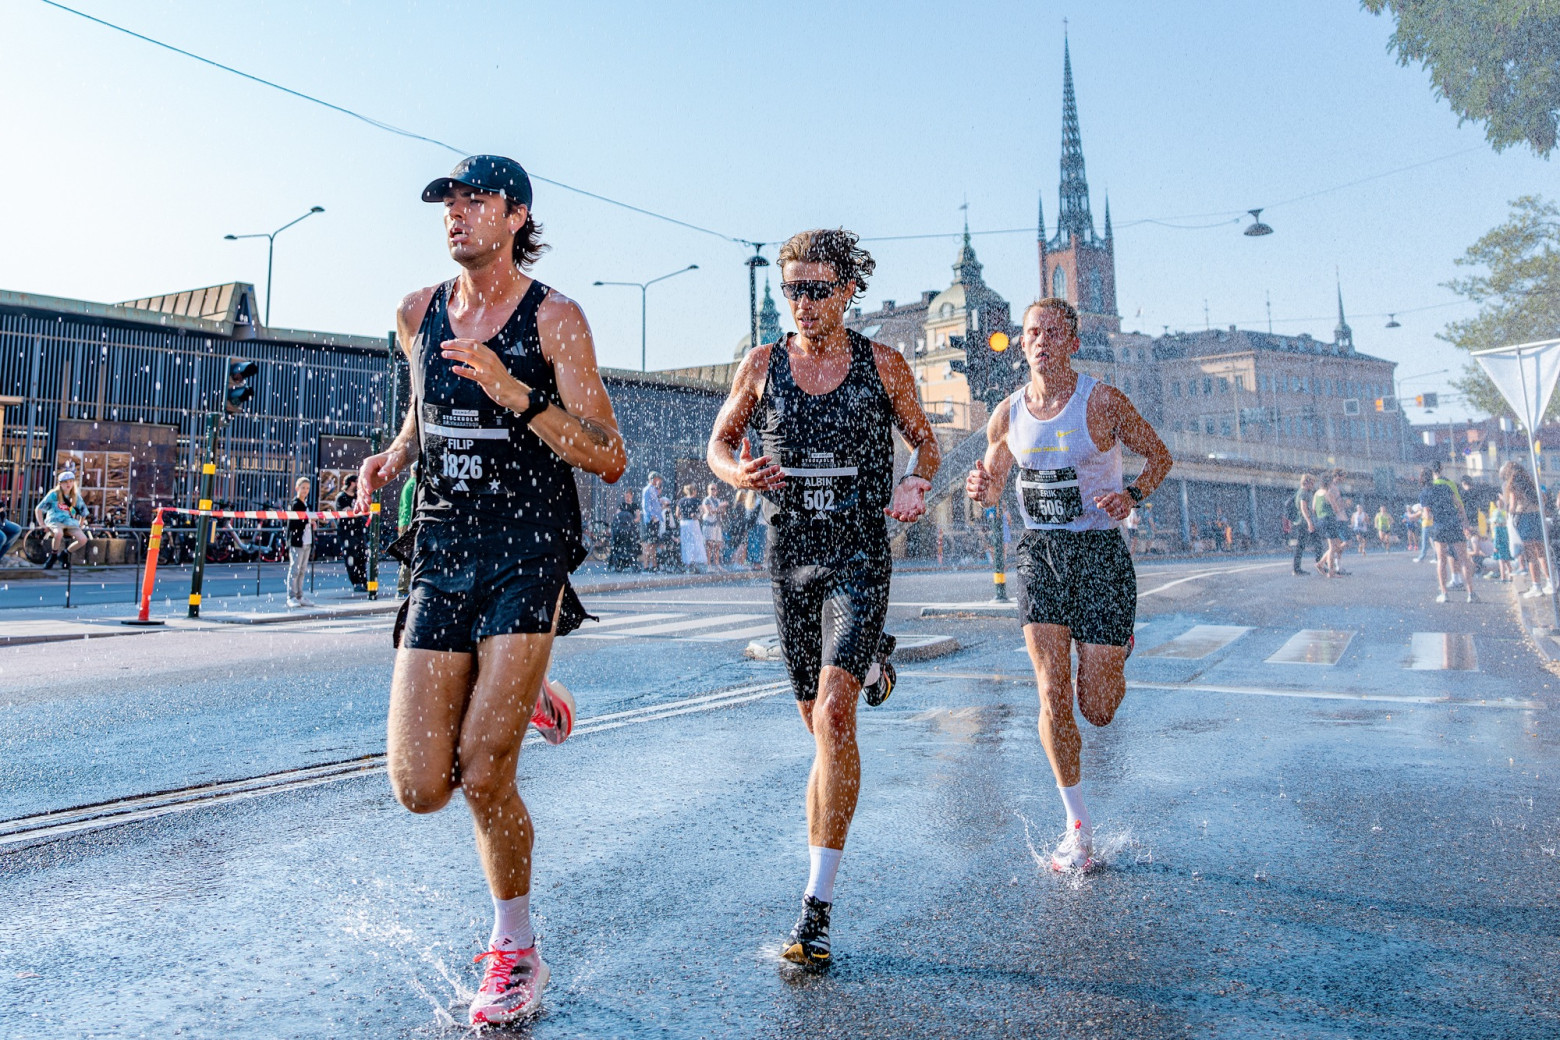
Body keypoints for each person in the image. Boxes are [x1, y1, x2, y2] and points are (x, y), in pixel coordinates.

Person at [355, 155, 626, 1026]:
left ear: (516, 216)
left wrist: (516, 394)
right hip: (441, 548)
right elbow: (424, 406)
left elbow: (606, 453)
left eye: (476, 202)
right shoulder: (415, 313)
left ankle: (515, 951)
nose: (457, 214)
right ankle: (522, 690)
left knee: (482, 773)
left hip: (526, 549)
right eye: (448, 203)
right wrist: (395, 455)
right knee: (418, 787)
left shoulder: (557, 320)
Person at [706, 228, 940, 968]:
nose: (802, 304)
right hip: (791, 561)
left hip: (858, 557)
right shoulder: (762, 365)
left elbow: (925, 443)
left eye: (816, 289)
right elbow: (718, 444)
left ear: (846, 291)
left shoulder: (883, 365)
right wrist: (735, 474)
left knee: (836, 719)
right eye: (792, 290)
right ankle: (874, 666)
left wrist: (913, 480)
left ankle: (816, 911)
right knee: (816, 726)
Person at [967, 295, 1172, 875]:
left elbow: (1159, 456)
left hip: (1100, 555)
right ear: (1023, 343)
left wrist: (1131, 495)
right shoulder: (1007, 413)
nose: (1041, 341)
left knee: (1097, 707)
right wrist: (979, 489)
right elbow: (992, 477)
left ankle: (1114, 654)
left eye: (1054, 332)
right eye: (1033, 332)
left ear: (1073, 342)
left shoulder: (1102, 401)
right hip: (1041, 556)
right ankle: (1077, 826)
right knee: (1052, 691)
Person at [1419, 466, 1476, 604]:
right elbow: (1459, 505)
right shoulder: (1445, 487)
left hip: (1439, 527)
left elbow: (1427, 515)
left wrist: (1425, 514)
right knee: (1463, 559)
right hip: (1454, 524)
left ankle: (1444, 593)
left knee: (1441, 560)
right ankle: (1471, 593)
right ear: (1432, 476)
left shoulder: (1424, 493)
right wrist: (1465, 522)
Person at [1501, 460, 1551, 597]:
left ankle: (1537, 586)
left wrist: (1508, 511)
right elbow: (1544, 498)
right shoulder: (1531, 482)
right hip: (1537, 517)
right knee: (1541, 552)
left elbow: (1512, 507)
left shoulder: (1513, 486)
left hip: (1524, 519)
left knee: (1530, 555)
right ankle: (1550, 582)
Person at [34, 470, 90, 569]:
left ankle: (65, 553)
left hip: (69, 521)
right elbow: (39, 508)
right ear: (60, 484)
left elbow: (83, 511)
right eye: (65, 482)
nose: (68, 484)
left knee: (83, 539)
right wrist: (42, 524)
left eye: (71, 481)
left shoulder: (75, 496)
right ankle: (53, 555)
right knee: (58, 533)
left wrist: (81, 524)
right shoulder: (53, 494)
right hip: (55, 520)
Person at [335, 474, 369, 592]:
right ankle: (356, 582)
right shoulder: (341, 497)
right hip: (346, 532)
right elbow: (345, 512)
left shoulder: (357, 496)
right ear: (351, 483)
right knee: (351, 558)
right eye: (356, 482)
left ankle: (364, 581)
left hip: (359, 531)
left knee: (361, 557)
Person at [286, 477, 316, 608]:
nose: (305, 491)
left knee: (302, 570)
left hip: (307, 540)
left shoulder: (306, 505)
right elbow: (294, 522)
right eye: (303, 488)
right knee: (295, 569)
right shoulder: (295, 504)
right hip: (297, 541)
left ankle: (299, 595)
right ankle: (291, 596)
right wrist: (309, 520)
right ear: (297, 488)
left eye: (307, 488)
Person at [1313, 471, 1347, 577]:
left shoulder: (1317, 493)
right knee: (1333, 547)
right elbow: (1336, 509)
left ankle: (1321, 563)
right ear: (1329, 482)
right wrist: (1342, 506)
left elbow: (1313, 509)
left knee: (1334, 545)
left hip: (1320, 520)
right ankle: (1331, 571)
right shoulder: (1328, 493)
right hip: (1329, 520)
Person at [1291, 474, 1323, 576]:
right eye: (1312, 483)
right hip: (1304, 523)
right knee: (1306, 545)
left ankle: (1319, 564)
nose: (1313, 485)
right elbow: (1303, 508)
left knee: (1309, 544)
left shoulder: (1304, 492)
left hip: (1305, 522)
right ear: (1307, 482)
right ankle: (1297, 569)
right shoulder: (1303, 493)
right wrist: (1309, 522)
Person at [396, 462, 419, 597]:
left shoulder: (409, 483)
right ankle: (403, 588)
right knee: (410, 556)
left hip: (405, 521)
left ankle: (403, 587)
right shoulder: (415, 483)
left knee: (409, 555)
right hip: (410, 522)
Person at [640, 471, 665, 570]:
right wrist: (651, 516)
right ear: (653, 479)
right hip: (650, 521)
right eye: (658, 479)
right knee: (648, 544)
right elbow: (646, 505)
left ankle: (654, 565)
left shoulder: (653, 490)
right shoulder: (647, 490)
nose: (659, 481)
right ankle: (646, 566)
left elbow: (654, 504)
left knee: (653, 543)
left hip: (656, 520)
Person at [701, 482, 727, 571]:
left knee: (717, 545)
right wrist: (720, 507)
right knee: (709, 545)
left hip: (717, 524)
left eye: (715, 489)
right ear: (708, 490)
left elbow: (722, 512)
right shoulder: (707, 500)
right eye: (712, 489)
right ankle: (709, 565)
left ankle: (717, 564)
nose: (713, 490)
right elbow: (710, 512)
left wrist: (723, 509)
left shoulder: (718, 500)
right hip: (709, 524)